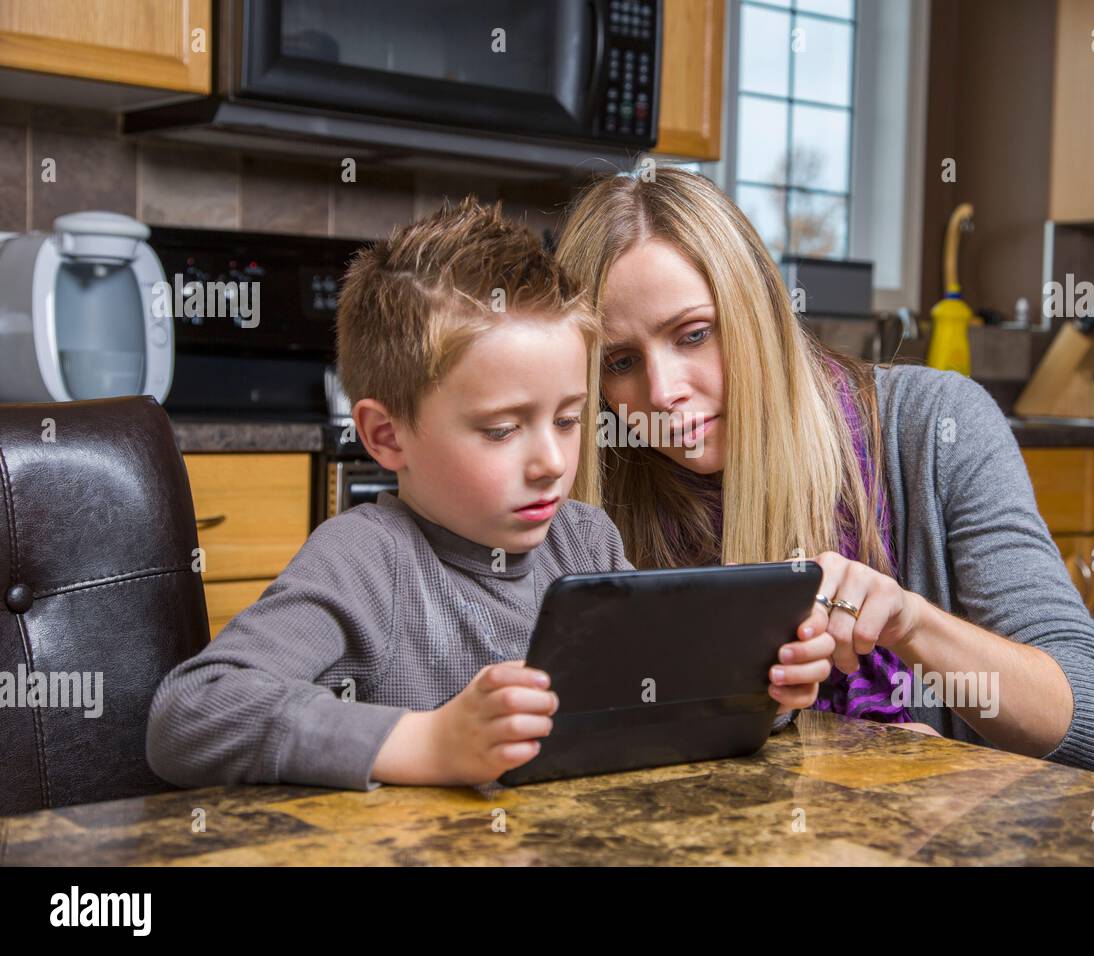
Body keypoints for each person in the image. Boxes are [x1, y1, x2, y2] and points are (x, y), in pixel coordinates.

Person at [146, 199, 835, 790]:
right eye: (503, 429)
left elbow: (649, 696)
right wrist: (426, 743)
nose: (551, 462)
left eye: (568, 420)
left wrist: (754, 687)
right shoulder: (364, 560)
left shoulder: (585, 541)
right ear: (387, 438)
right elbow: (191, 713)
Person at [555, 168, 1094, 776]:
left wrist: (912, 622)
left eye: (695, 334)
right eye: (620, 362)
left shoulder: (937, 427)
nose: (664, 391)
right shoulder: (593, 492)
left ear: (761, 310)